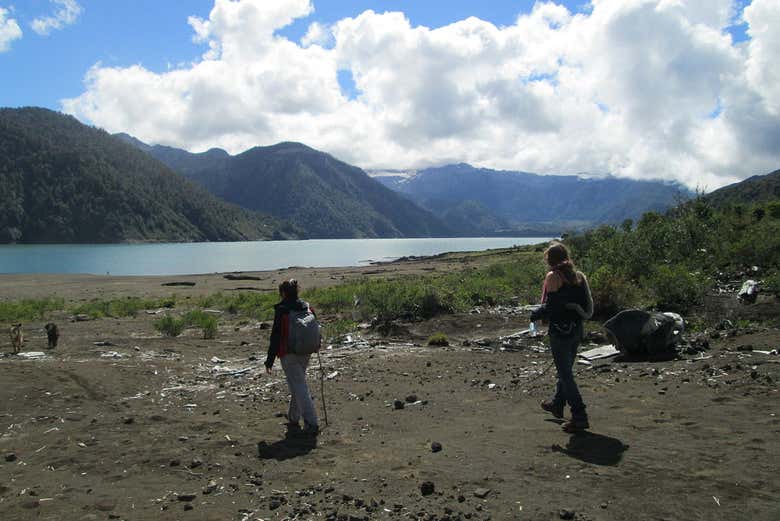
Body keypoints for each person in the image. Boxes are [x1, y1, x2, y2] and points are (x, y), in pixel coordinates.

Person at [531, 242, 593, 433]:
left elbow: (552, 306)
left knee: (565, 374)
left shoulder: (553, 277)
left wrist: (534, 315)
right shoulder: (578, 276)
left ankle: (579, 415)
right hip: (576, 329)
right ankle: (557, 404)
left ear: (550, 259)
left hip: (560, 331)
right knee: (565, 368)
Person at [265, 279, 320, 436]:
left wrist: (269, 360)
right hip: (306, 351)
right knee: (297, 383)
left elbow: (275, 336)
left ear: (283, 293)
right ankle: (293, 417)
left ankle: (312, 422)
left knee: (299, 386)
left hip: (289, 353)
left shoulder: (282, 309)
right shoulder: (306, 306)